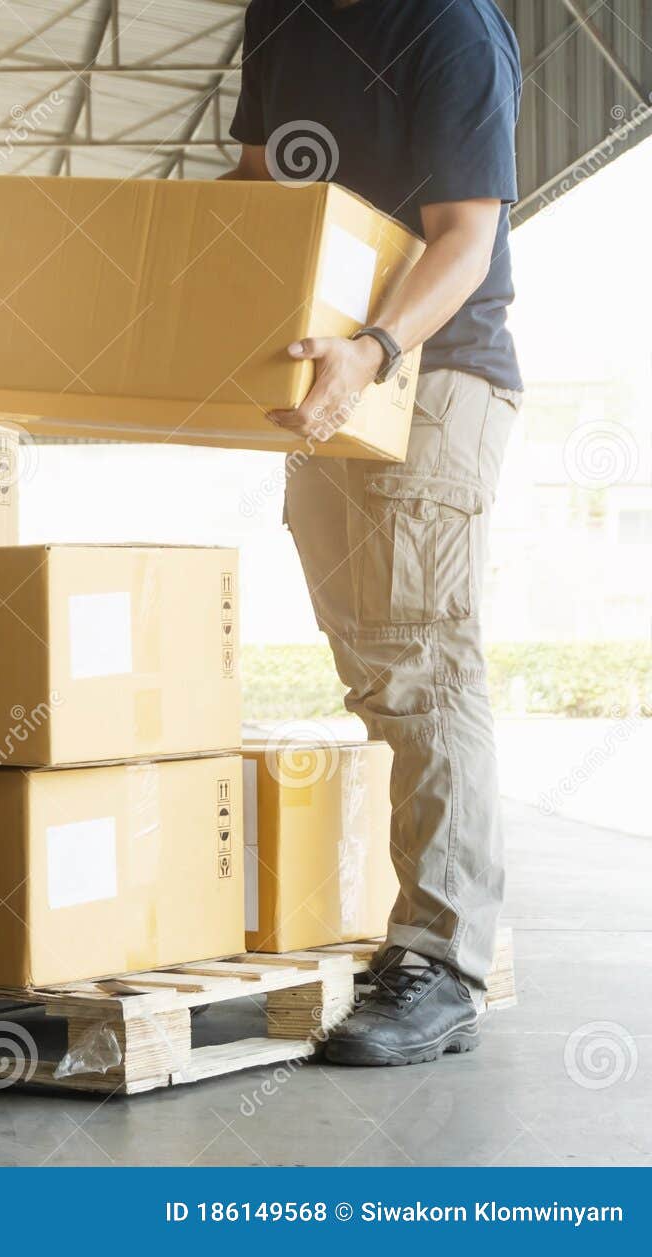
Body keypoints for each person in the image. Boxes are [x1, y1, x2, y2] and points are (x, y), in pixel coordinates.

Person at [225, 0, 523, 1065]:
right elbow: (260, 189)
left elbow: (465, 237)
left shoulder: (447, 24)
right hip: (327, 376)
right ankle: (428, 936)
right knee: (375, 673)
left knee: (424, 664)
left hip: (430, 372)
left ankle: (443, 962)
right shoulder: (280, 15)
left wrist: (376, 348)